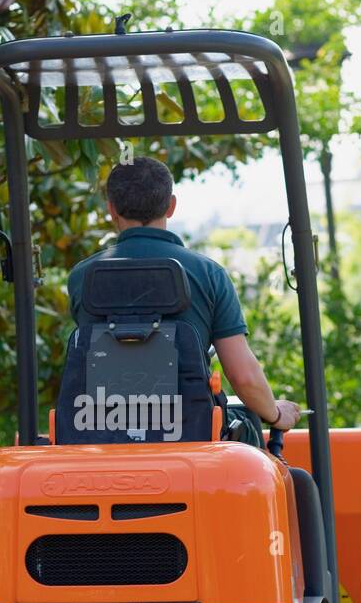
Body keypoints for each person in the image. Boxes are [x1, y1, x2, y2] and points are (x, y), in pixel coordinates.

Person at [68, 156, 301, 431]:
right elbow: (243, 376)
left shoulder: (82, 277)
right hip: (191, 437)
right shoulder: (208, 274)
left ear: (111, 209)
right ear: (171, 206)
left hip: (99, 433)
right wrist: (275, 414)